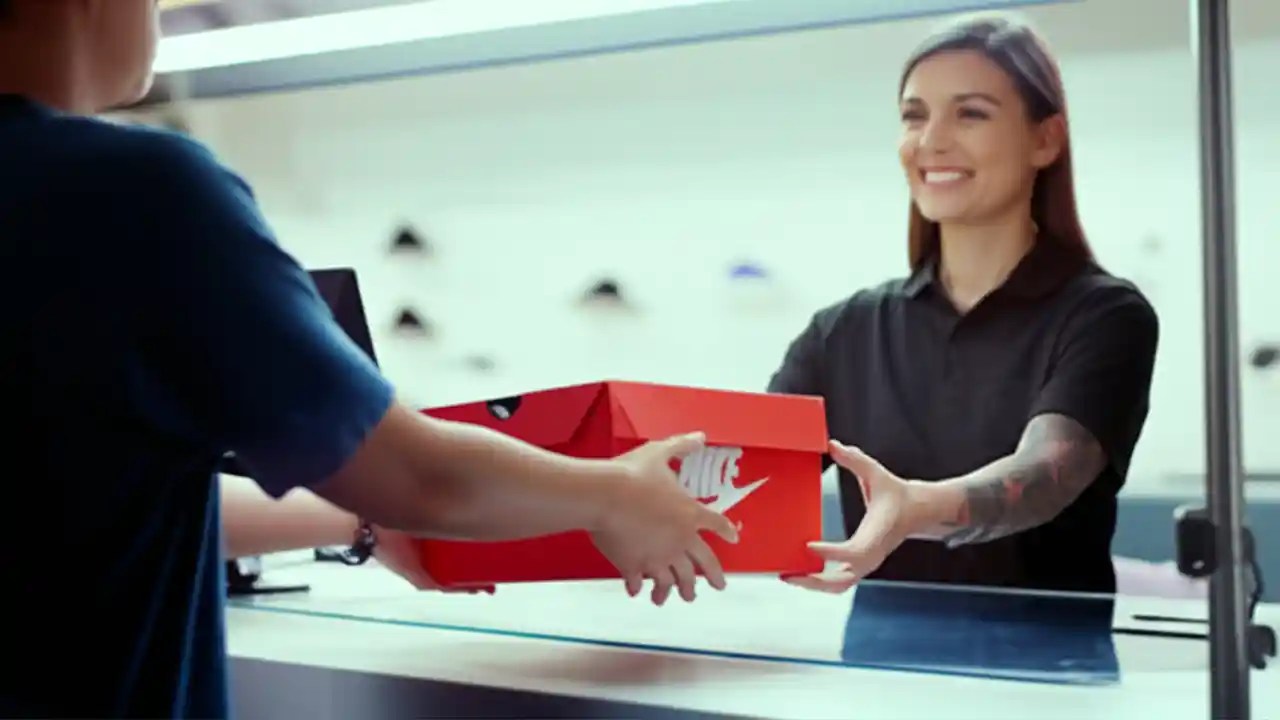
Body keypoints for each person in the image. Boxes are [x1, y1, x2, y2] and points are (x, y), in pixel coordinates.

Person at [0, 1, 739, 717]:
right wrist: (614, 493)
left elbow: (110, 493)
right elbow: (420, 476)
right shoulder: (132, 194)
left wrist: (363, 517)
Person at [770, 15, 1158, 596]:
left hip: (1051, 673)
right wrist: (617, 487)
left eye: (970, 113)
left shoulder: (1105, 316)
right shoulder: (843, 331)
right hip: (880, 669)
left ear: (1045, 138)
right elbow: (754, 472)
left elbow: (1044, 477)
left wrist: (915, 506)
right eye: (914, 116)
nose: (932, 141)